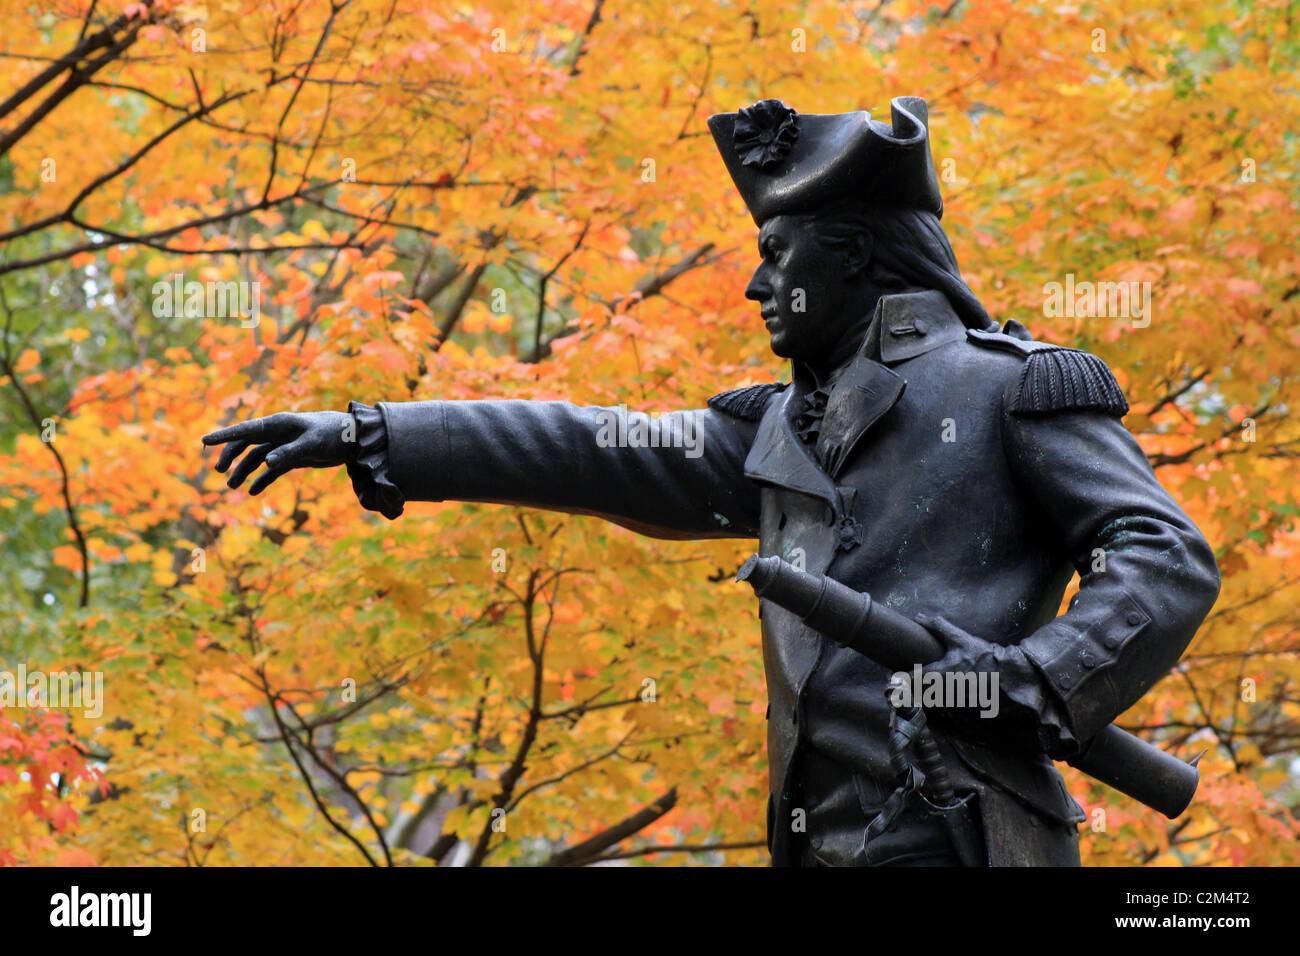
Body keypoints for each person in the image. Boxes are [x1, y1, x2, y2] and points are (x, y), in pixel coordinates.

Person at [203, 97, 1221, 866]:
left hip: (964, 835)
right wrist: (373, 430)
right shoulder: (780, 427)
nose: (753, 282)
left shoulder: (1011, 389)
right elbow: (587, 444)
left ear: (855, 251)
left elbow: (1161, 553)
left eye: (776, 252)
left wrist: (1039, 677)